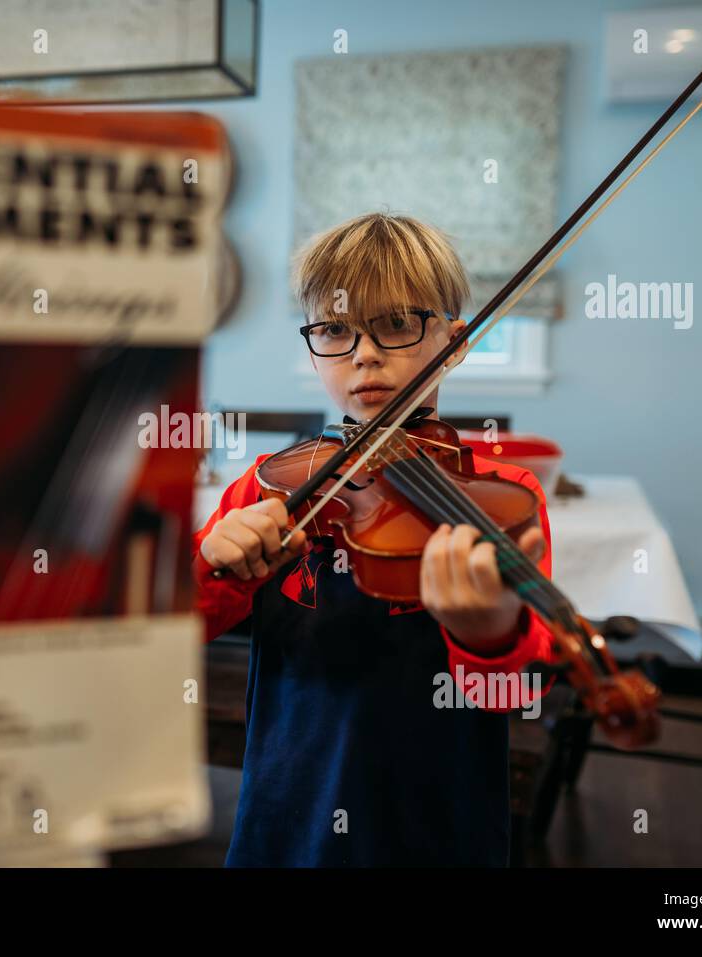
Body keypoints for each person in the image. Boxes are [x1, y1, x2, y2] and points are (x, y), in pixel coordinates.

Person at [194, 212, 556, 866]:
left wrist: (490, 629)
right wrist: (216, 564)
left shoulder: (500, 497)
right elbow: (181, 622)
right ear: (313, 348)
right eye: (335, 329)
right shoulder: (274, 484)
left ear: (455, 340)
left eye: (394, 323)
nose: (363, 352)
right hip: (290, 797)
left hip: (435, 815)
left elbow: (519, 687)